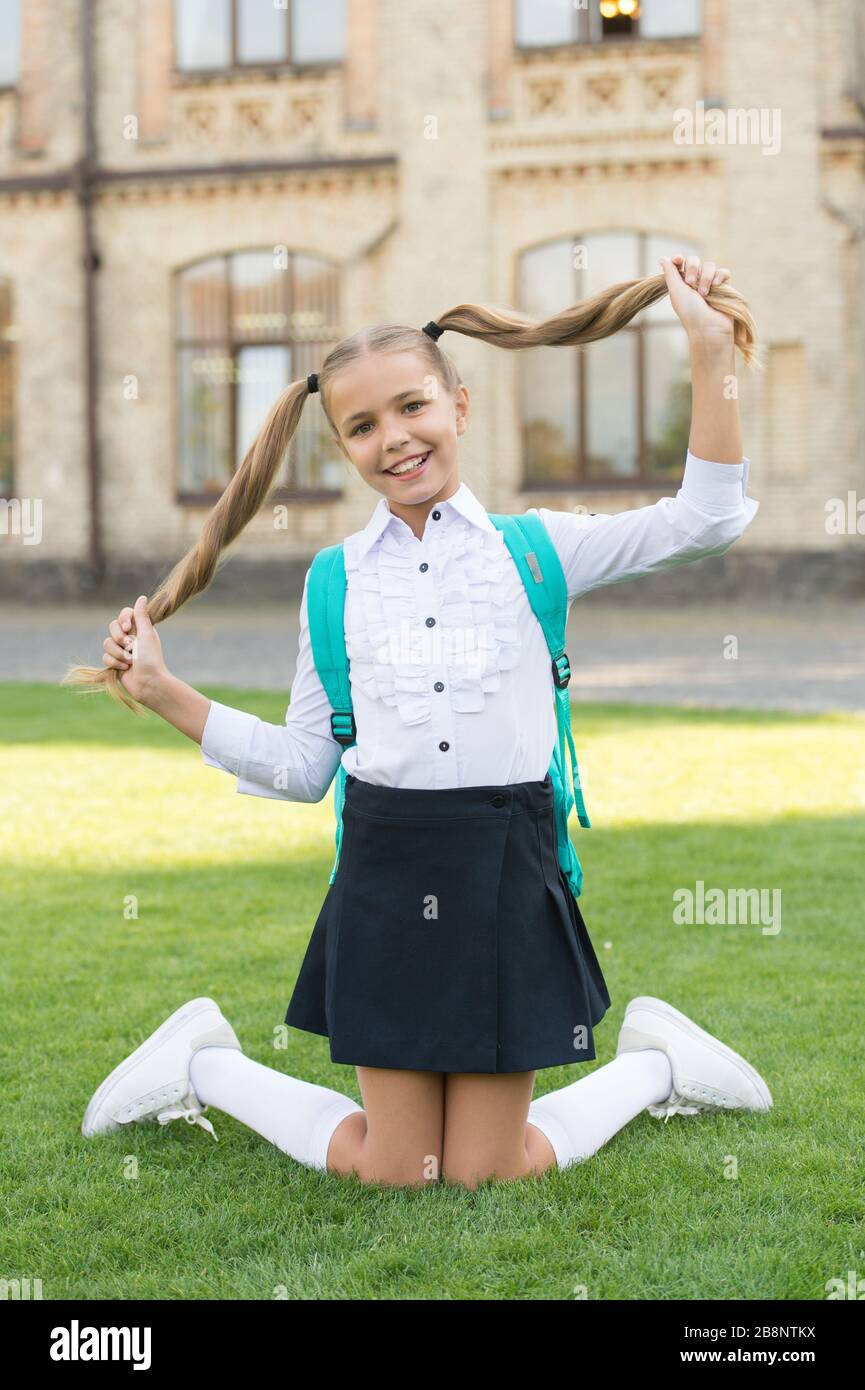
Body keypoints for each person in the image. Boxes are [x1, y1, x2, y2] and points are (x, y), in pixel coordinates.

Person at [68, 254, 772, 1191]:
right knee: (399, 1170)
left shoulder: (539, 551)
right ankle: (202, 1061)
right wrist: (164, 693)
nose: (393, 439)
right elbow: (300, 766)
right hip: (387, 875)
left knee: (487, 1171)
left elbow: (705, 520)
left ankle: (655, 1063)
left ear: (460, 407)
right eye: (362, 426)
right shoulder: (335, 585)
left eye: (412, 408)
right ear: (341, 447)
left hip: (506, 865)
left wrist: (707, 346)